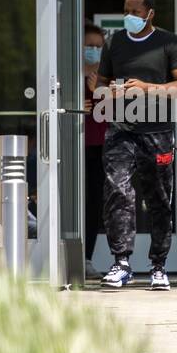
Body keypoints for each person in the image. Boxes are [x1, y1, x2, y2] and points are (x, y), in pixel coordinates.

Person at [95, 0, 177, 290]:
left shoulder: (169, 43)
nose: (130, 17)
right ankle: (121, 262)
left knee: (159, 199)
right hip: (121, 130)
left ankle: (158, 266)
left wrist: (148, 88)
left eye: (135, 11)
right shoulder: (115, 42)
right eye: (126, 11)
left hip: (157, 132)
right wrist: (107, 92)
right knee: (118, 193)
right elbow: (100, 84)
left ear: (150, 14)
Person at [82, 22, 108, 279]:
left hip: (99, 148)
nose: (93, 51)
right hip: (72, 147)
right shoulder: (67, 75)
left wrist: (96, 90)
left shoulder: (107, 76)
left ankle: (86, 258)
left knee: (92, 205)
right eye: (89, 46)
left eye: (98, 47)